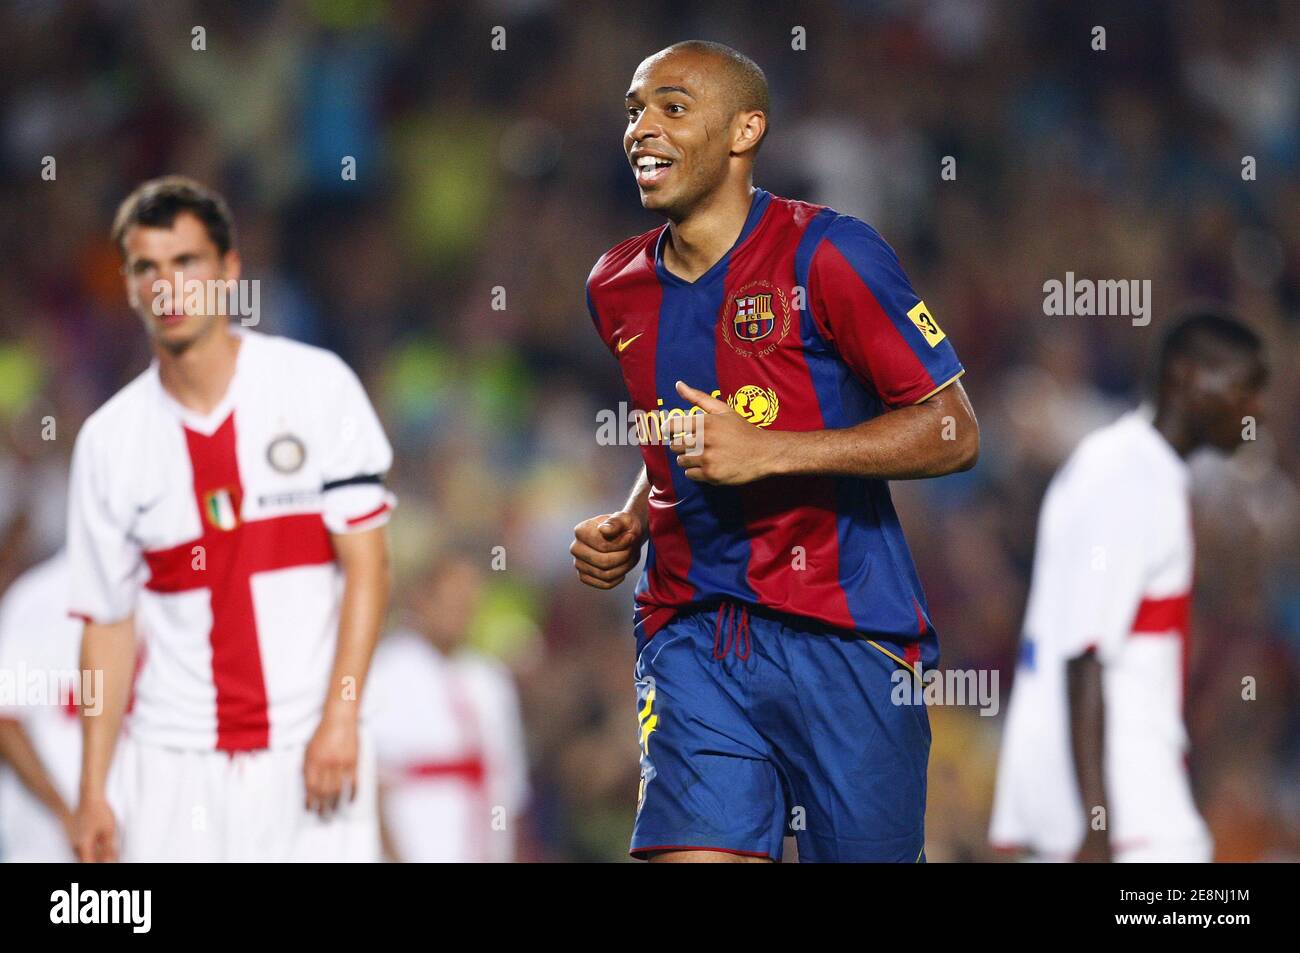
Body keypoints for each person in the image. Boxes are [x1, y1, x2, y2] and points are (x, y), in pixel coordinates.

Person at [572, 41, 978, 862]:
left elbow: (952, 429)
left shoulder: (830, 255)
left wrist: (775, 453)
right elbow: (679, 423)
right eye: (634, 110)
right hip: (691, 630)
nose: (642, 129)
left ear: (744, 130)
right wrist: (634, 518)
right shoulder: (615, 284)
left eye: (673, 108)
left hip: (842, 633)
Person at [69, 176, 395, 862]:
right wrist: (93, 786)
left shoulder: (315, 385)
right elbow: (106, 619)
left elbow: (367, 565)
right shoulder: (108, 440)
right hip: (171, 763)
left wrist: (341, 716)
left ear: (229, 271)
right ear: (129, 286)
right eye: (147, 268)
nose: (169, 284)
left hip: (309, 746)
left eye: (187, 261)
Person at [989, 309, 1269, 862]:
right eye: (1243, 389)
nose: (1254, 410)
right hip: (1121, 813)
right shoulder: (1127, 478)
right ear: (1188, 378)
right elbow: (1084, 652)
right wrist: (1096, 826)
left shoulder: (1142, 470)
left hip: (1125, 796)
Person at [369, 554, 529, 862]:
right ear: (421, 599)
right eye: (450, 601)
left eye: (468, 603)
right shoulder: (383, 672)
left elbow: (510, 783)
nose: (460, 612)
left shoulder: (490, 678)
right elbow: (374, 782)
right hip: (418, 843)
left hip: (486, 845)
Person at [0, 551, 83, 861]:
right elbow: (6, 719)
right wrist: (67, 814)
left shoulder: (163, 592)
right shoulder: (42, 595)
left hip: (137, 837)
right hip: (43, 841)